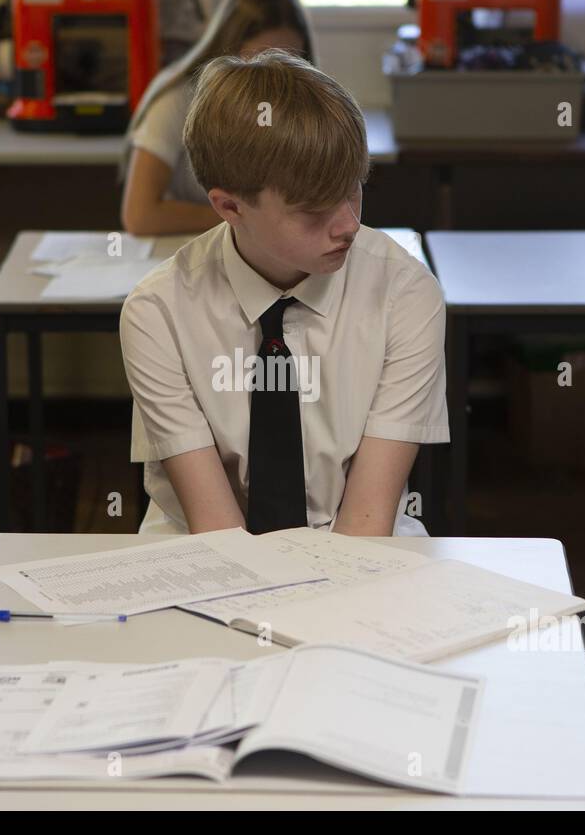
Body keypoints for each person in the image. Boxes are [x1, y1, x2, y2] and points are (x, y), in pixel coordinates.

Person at [119, 50, 449, 537]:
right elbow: (216, 530)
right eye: (314, 213)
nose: (349, 225)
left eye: (354, 189)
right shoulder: (159, 312)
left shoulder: (406, 295)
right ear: (230, 206)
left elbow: (366, 521)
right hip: (203, 551)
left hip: (357, 546)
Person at [120, 0, 316, 236]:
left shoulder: (302, 105)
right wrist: (248, 216)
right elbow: (140, 216)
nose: (275, 81)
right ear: (227, 54)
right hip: (189, 247)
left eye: (289, 64)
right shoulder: (178, 101)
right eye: (261, 62)